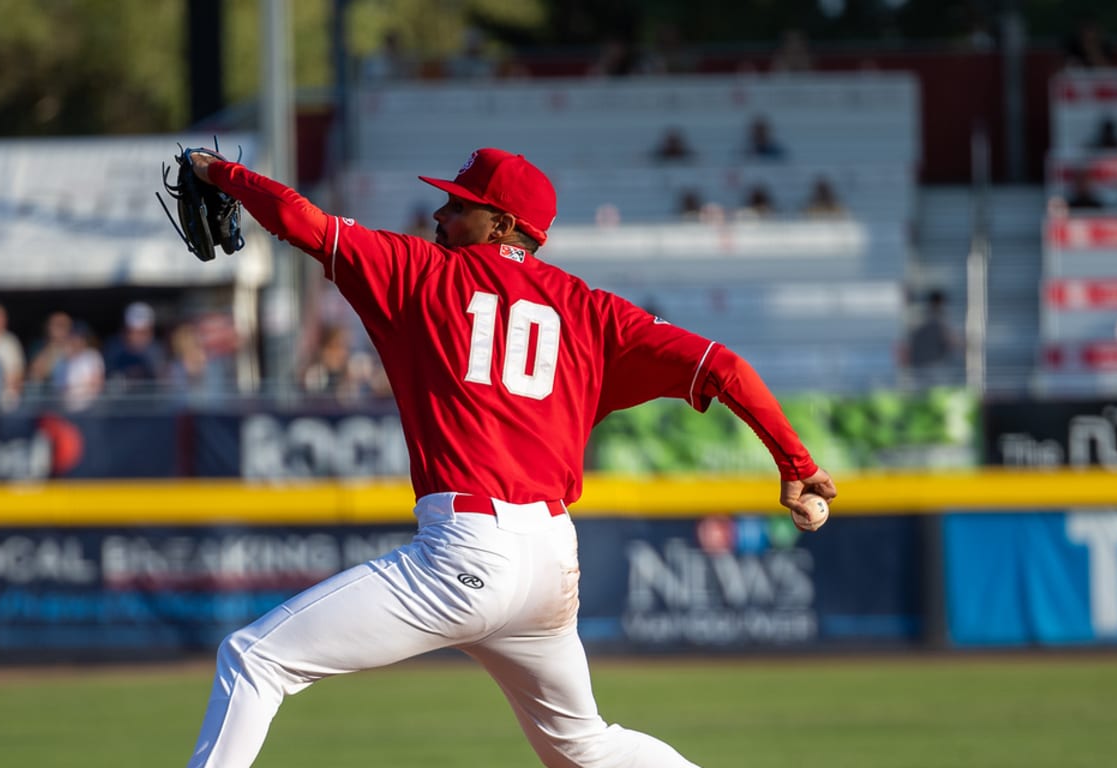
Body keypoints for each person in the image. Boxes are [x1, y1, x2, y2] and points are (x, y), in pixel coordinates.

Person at [181, 146, 838, 768]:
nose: (440, 214)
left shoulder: (419, 271)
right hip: (550, 563)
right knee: (583, 747)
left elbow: (301, 220)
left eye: (459, 206)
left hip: (464, 552)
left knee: (254, 659)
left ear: (501, 223)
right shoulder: (594, 311)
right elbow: (721, 365)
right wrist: (796, 464)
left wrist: (218, 170)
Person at [104, 301, 166, 393]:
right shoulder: (113, 349)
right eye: (131, 331)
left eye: (142, 332)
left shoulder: (157, 351)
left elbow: (163, 383)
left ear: (151, 331)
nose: (135, 337)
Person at [906, 289, 961, 375]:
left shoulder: (919, 318)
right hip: (933, 365)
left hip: (921, 364)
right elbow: (950, 341)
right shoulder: (939, 320)